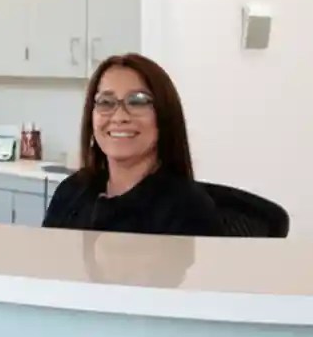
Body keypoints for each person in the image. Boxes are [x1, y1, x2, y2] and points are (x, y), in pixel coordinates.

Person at [43, 53, 224, 237]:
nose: (119, 117)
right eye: (106, 102)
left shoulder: (188, 208)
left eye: (138, 101)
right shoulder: (71, 192)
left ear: (163, 115)